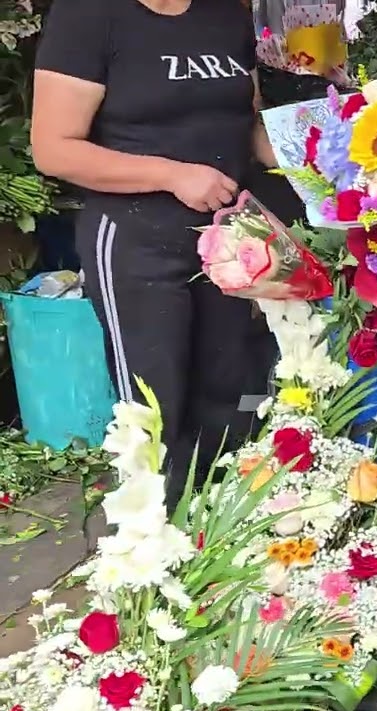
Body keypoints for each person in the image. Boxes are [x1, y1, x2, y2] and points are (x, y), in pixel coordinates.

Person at [31, 0, 277, 507]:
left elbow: (244, 123)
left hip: (227, 240)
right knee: (154, 405)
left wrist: (320, 155)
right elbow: (53, 148)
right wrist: (171, 175)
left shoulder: (226, 12)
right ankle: (156, 549)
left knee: (229, 390)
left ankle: (225, 546)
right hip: (136, 239)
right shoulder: (89, 16)